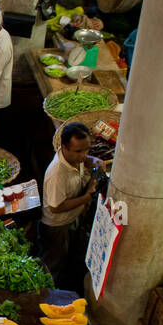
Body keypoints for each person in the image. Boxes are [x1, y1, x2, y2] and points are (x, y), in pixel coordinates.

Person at [41, 122, 100, 289]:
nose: (84, 155)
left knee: (66, 257)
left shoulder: (74, 159)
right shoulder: (57, 174)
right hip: (57, 226)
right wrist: (87, 197)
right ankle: (47, 294)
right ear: (64, 147)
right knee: (53, 262)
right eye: (79, 151)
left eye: (87, 149)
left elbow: (85, 158)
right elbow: (55, 207)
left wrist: (92, 160)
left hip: (71, 218)